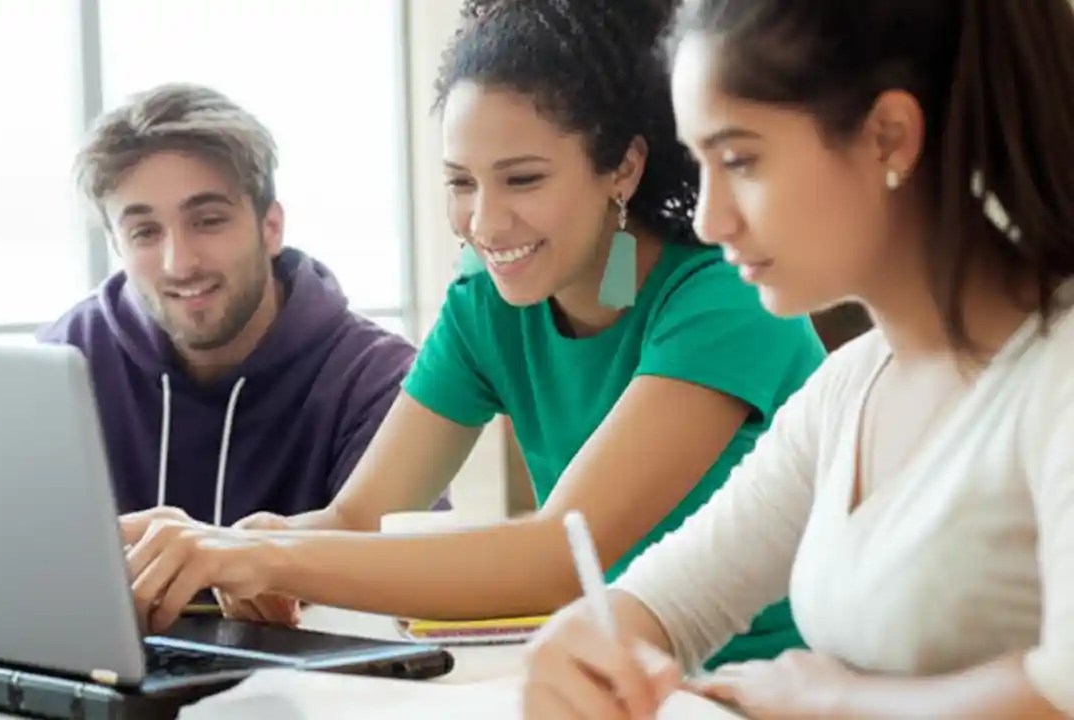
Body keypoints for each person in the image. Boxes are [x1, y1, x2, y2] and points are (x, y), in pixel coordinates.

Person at [119, 0, 824, 668]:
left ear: (623, 167)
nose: (485, 223)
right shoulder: (488, 299)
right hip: (614, 679)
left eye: (521, 179)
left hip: (780, 686)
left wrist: (265, 559)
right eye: (461, 183)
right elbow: (362, 515)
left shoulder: (730, 298)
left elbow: (557, 556)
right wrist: (217, 544)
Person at [521, 0, 1074, 717]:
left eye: (741, 160)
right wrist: (580, 647)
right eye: (700, 164)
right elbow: (667, 601)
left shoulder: (1056, 375)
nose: (709, 219)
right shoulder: (848, 388)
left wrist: (837, 705)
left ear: (888, 137)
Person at [40, 83, 416, 529]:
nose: (179, 263)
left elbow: (399, 575)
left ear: (271, 227)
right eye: (145, 232)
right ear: (116, 245)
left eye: (208, 221)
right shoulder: (64, 365)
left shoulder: (375, 380)